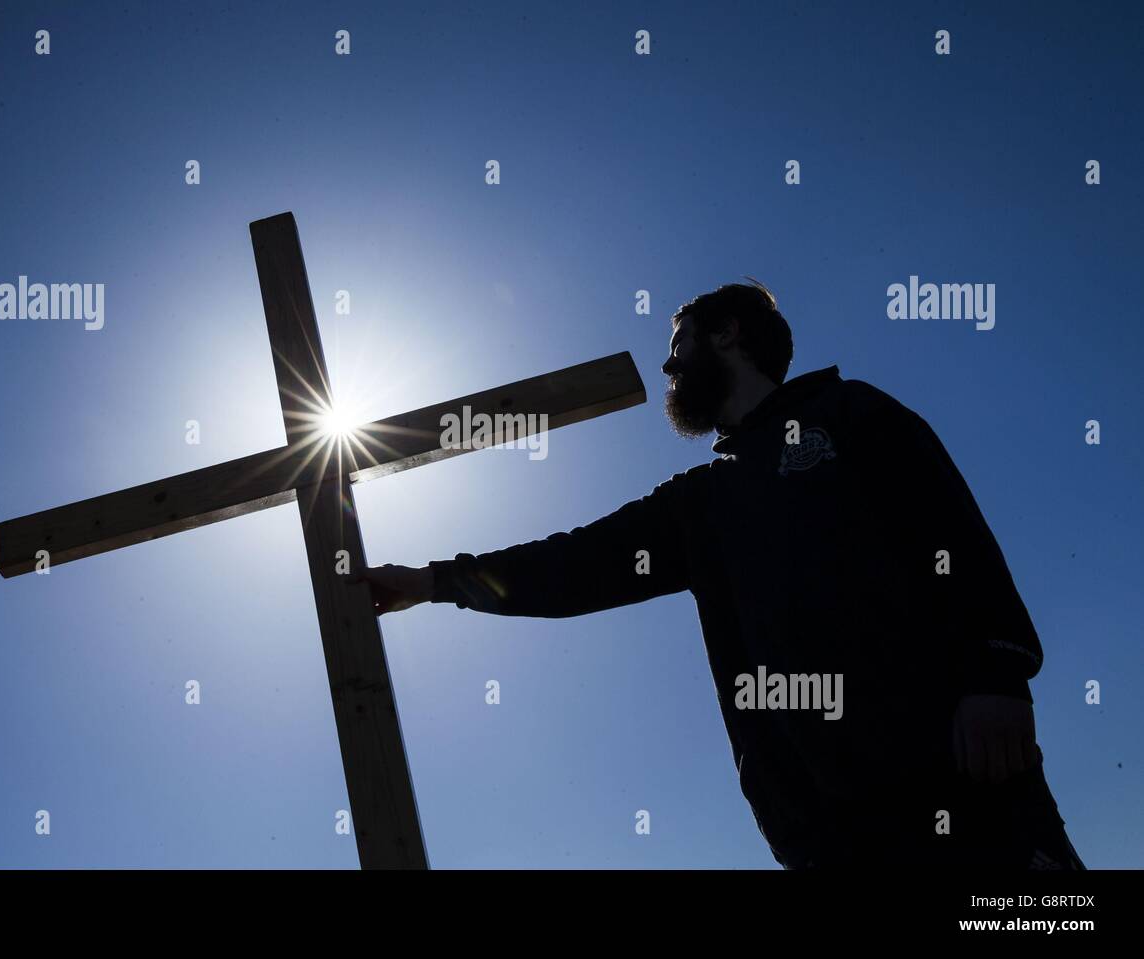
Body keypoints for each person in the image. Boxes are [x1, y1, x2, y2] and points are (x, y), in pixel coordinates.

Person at [351, 281, 1085, 869]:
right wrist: (432, 582)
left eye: (679, 346)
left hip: (961, 784)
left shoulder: (851, 414)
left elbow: (950, 526)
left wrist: (997, 673)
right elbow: (575, 563)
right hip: (831, 832)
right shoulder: (703, 504)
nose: (670, 366)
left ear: (728, 334)